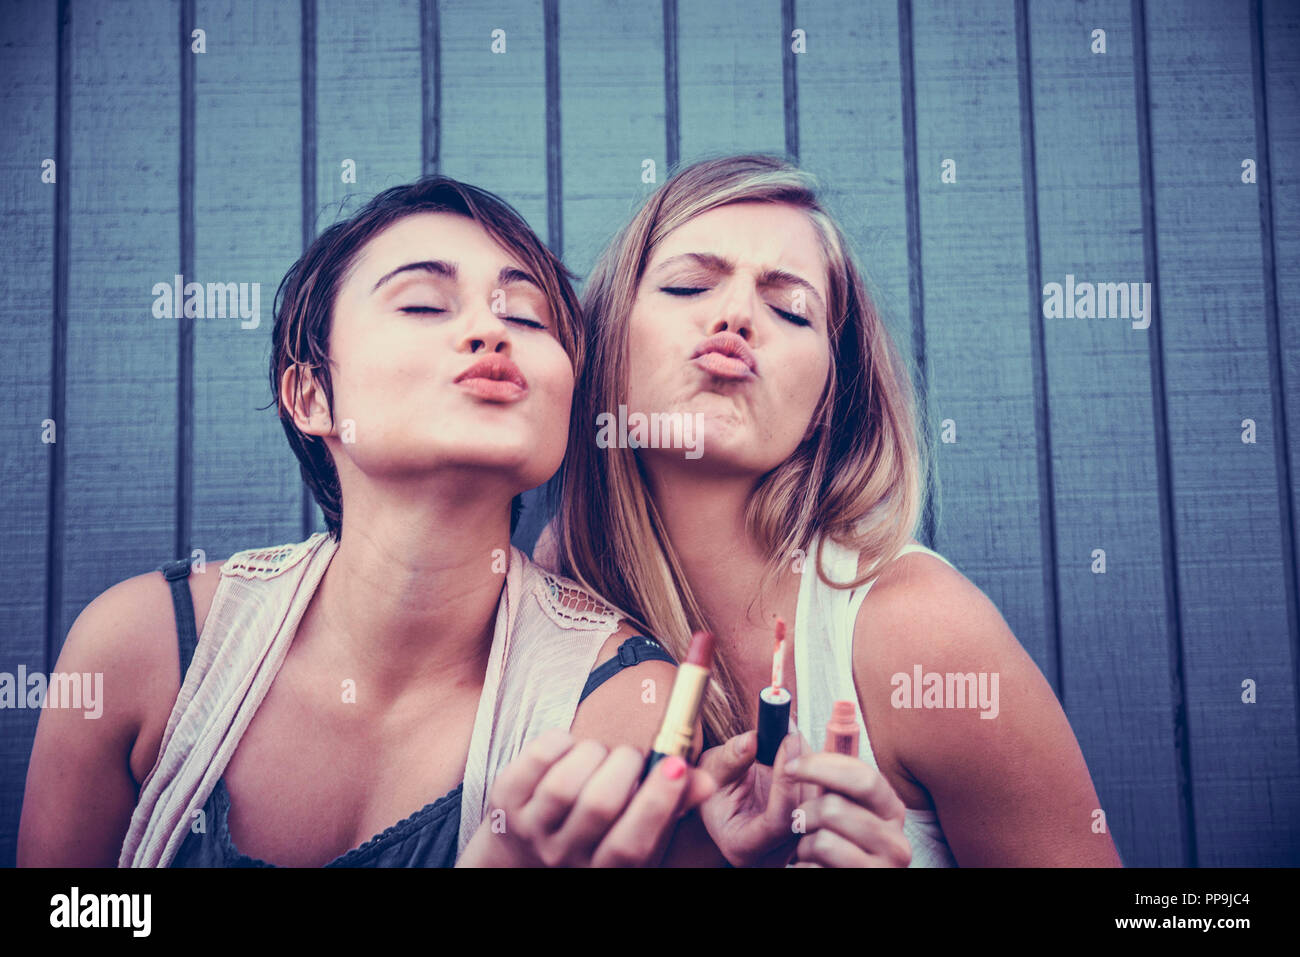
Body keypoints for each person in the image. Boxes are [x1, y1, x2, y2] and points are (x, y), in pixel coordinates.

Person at [18, 176, 712, 868]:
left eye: (528, 318)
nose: (490, 329)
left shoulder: (620, 706)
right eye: (421, 304)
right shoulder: (145, 648)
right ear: (312, 395)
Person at [537, 154, 1123, 867]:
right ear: (604, 347)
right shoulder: (554, 594)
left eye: (791, 309)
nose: (735, 316)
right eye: (690, 284)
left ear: (824, 407)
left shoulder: (918, 631)